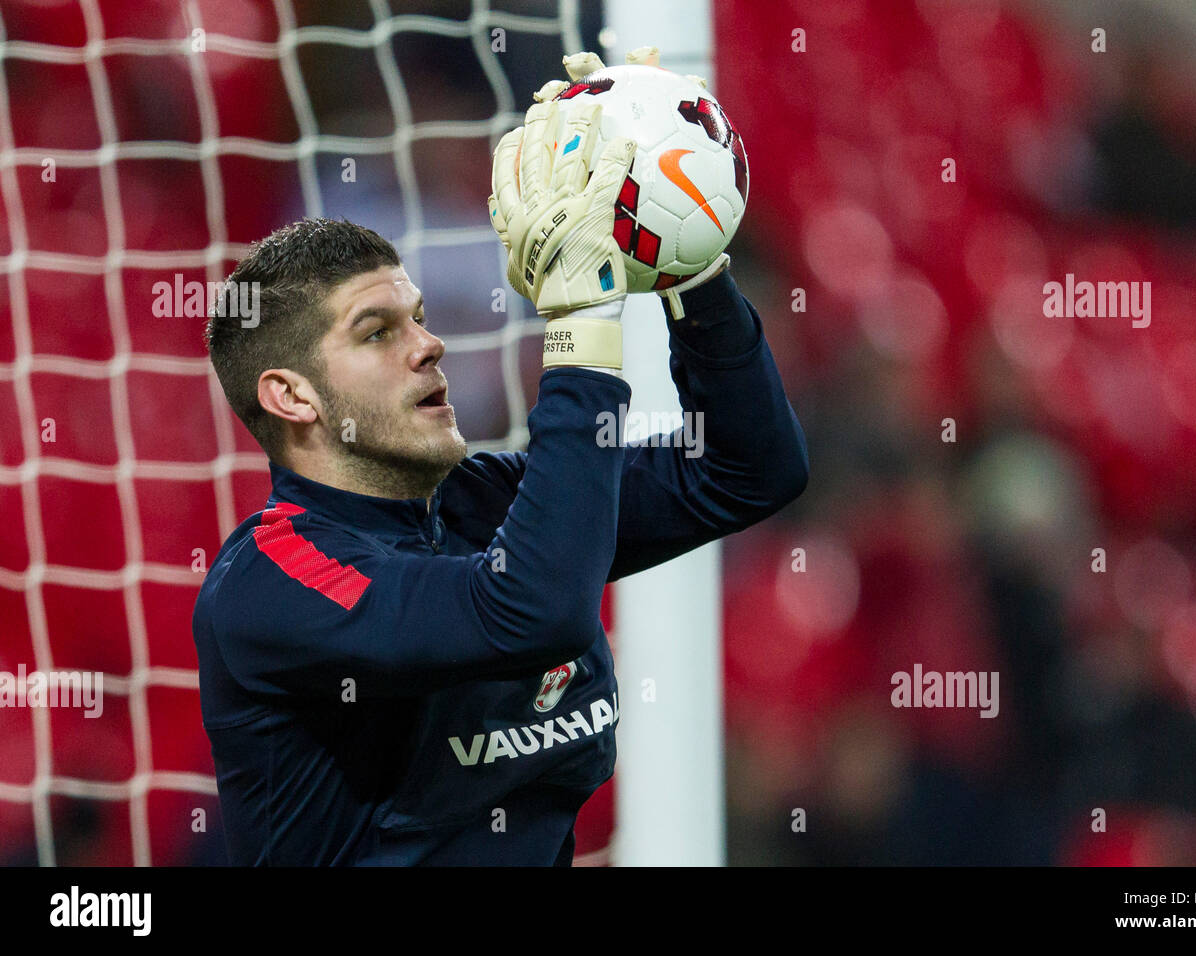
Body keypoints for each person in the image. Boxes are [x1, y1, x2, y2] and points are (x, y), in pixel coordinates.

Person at [192, 48, 808, 865]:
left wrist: (676, 242)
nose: (430, 344)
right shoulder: (276, 585)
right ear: (292, 398)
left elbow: (748, 470)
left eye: (421, 316)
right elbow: (529, 613)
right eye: (379, 332)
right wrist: (581, 332)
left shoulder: (481, 503)